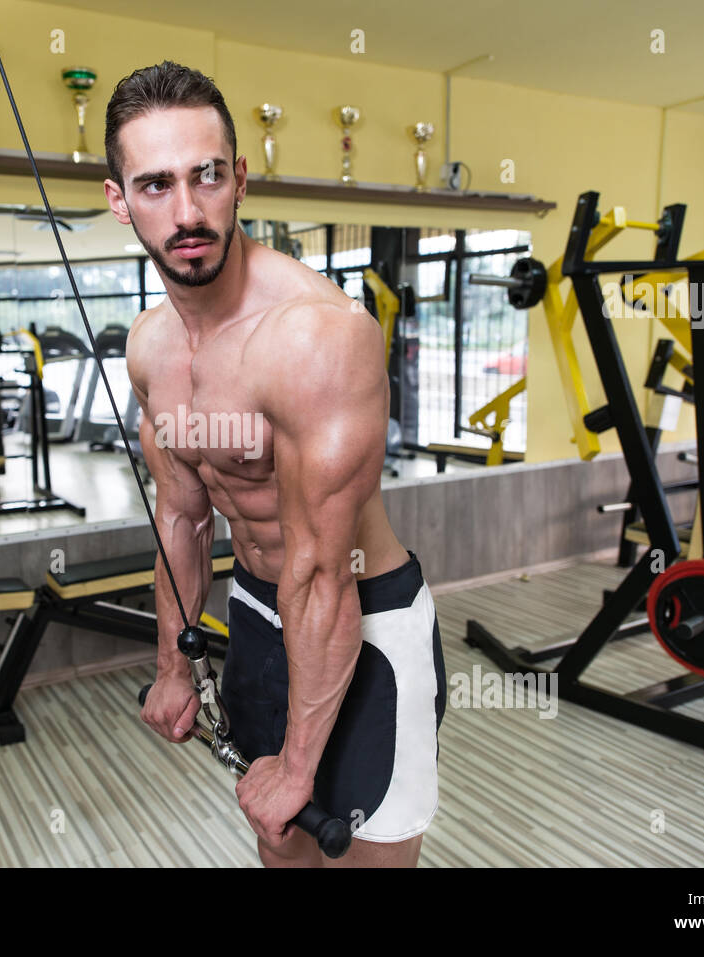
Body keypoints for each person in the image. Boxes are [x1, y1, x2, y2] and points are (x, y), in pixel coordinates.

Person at [110, 61, 445, 868]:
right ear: (119, 200)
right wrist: (173, 665)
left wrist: (300, 764)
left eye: (207, 176)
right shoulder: (151, 346)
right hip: (257, 614)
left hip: (362, 621)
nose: (187, 211)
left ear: (241, 180)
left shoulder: (315, 336)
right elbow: (184, 515)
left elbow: (324, 568)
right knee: (282, 854)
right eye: (155, 185)